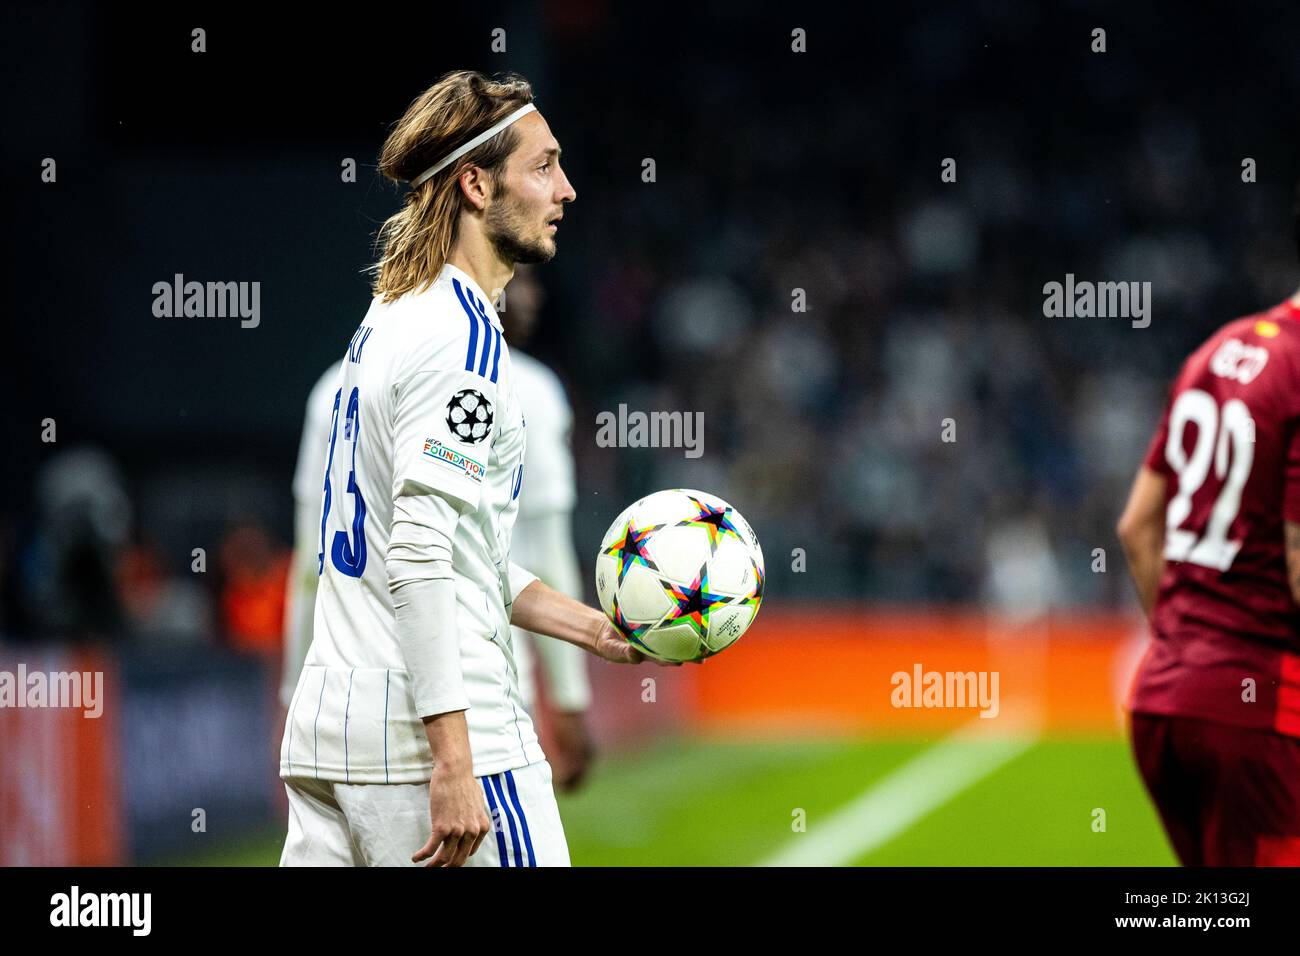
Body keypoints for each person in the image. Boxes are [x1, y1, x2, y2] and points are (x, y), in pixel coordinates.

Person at [279, 69, 671, 868]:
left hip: (331, 736)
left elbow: (454, 551)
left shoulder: (386, 319)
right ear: (474, 184)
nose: (565, 189)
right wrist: (455, 762)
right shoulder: (463, 340)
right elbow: (418, 556)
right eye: (544, 165)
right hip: (445, 746)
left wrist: (592, 628)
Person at [1118, 278, 1300, 866]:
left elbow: (1136, 528)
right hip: (1258, 710)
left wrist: (1187, 651)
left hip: (1164, 699)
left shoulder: (1217, 350)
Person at [498, 265, 594, 791]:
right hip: (488, 672)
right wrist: (569, 698)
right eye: (520, 280)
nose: (533, 296)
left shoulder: (350, 377)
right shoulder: (528, 387)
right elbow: (548, 555)